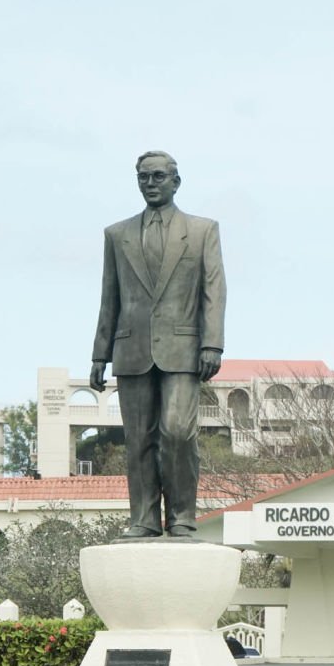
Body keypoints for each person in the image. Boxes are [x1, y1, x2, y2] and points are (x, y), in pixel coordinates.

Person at [90, 150, 225, 537]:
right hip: (130, 349)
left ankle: (182, 515)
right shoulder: (117, 235)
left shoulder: (202, 230)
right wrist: (100, 354)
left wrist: (212, 344)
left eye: (159, 177)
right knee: (138, 439)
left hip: (184, 350)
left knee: (177, 431)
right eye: (144, 178)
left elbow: (214, 291)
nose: (151, 184)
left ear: (175, 181)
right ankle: (145, 519)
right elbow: (109, 297)